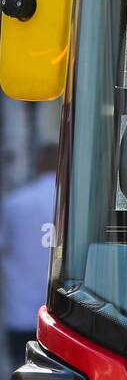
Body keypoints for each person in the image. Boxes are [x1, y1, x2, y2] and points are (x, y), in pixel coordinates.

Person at [0, 143, 57, 367]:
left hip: (21, 310)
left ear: (38, 164)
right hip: (64, 317)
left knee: (21, 378)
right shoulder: (77, 203)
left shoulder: (15, 202)